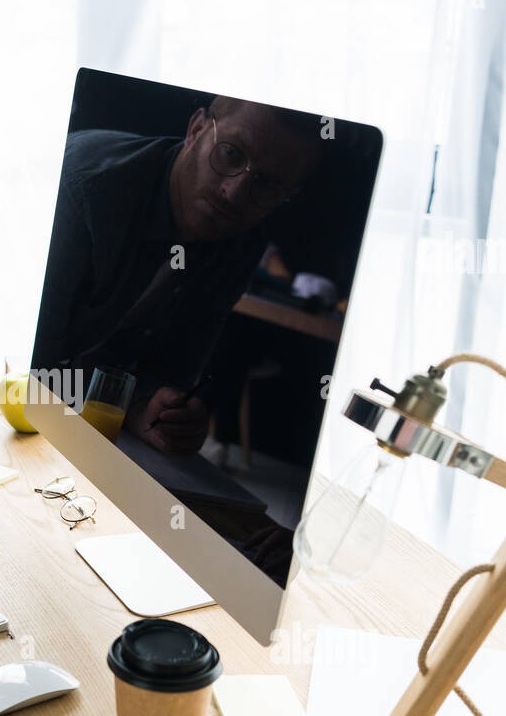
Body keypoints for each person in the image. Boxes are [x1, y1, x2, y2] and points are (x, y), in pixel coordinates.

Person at [33, 96, 323, 455]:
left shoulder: (242, 246)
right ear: (196, 130)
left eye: (265, 184)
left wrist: (155, 411)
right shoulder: (85, 190)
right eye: (231, 153)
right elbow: (30, 369)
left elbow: (171, 372)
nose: (233, 193)